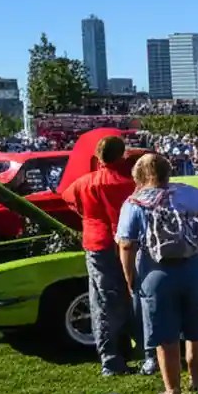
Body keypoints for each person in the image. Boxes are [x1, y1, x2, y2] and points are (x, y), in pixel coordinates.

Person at [117, 153, 198, 394]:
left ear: (139, 174)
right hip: (194, 269)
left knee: (165, 337)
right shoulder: (188, 193)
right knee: (195, 331)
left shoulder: (134, 203)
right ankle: (197, 382)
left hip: (156, 273)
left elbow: (125, 244)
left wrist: (129, 277)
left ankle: (172, 392)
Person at [60, 135, 140, 376]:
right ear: (121, 155)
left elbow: (67, 197)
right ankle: (122, 356)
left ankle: (112, 355)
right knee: (128, 296)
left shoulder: (84, 182)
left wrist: (88, 216)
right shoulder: (127, 183)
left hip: (95, 244)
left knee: (101, 300)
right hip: (123, 244)